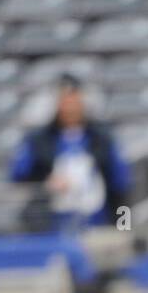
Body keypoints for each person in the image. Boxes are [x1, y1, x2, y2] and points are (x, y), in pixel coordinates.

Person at [9, 74, 131, 232]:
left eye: (74, 100)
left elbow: (121, 181)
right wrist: (46, 182)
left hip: (97, 220)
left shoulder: (103, 138)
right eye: (64, 101)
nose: (70, 107)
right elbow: (18, 173)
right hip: (50, 222)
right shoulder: (38, 140)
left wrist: (123, 225)